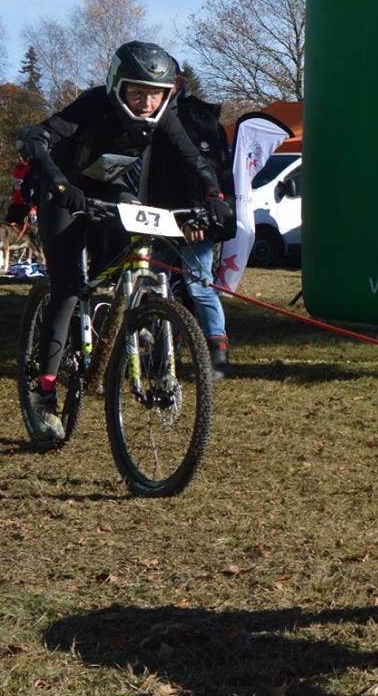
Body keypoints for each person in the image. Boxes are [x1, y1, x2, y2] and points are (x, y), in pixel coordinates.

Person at [17, 40, 234, 439]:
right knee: (67, 290)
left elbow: (193, 159)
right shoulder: (92, 104)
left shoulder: (164, 117)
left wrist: (213, 195)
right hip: (64, 193)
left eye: (156, 94)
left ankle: (134, 323)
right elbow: (35, 140)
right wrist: (60, 184)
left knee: (138, 250)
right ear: (117, 86)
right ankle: (44, 392)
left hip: (109, 191)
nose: (147, 103)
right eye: (137, 92)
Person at [153, 90, 237, 378]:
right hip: (158, 216)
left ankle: (218, 358)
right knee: (158, 284)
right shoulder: (151, 115)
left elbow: (206, 170)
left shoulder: (194, 118)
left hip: (194, 217)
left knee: (199, 285)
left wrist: (198, 215)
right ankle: (162, 356)